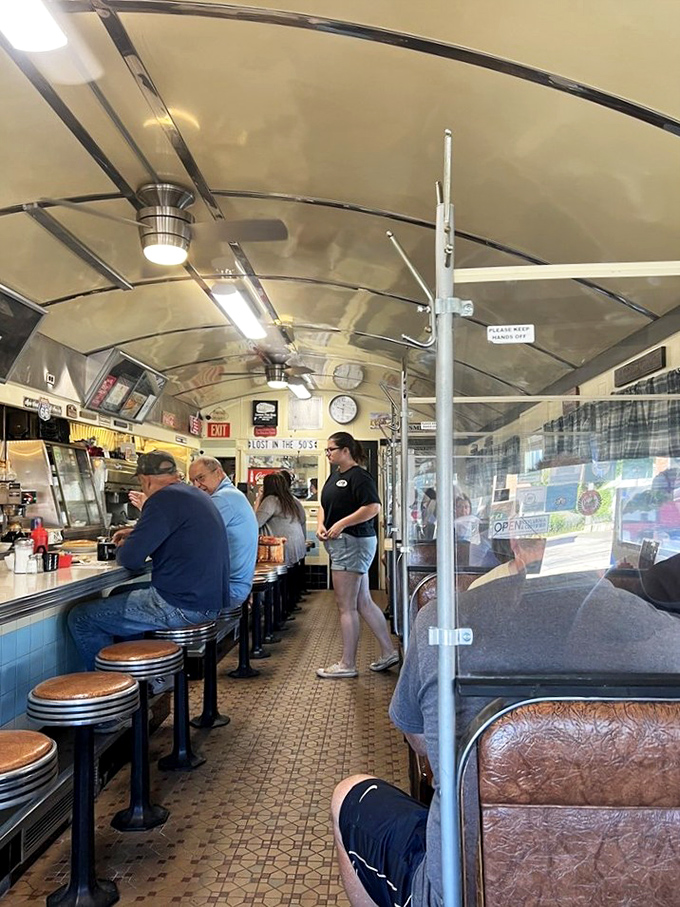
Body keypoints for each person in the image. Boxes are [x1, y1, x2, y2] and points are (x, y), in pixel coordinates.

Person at [331, 562, 680, 907]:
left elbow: (420, 742)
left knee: (347, 794)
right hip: (641, 884)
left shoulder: (442, 620)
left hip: (465, 890)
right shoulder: (668, 639)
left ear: (514, 540)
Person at [68, 451, 230, 670]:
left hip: (183, 604)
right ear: (175, 473)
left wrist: (131, 542)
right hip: (209, 599)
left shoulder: (161, 499)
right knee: (118, 595)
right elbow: (176, 535)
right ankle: (144, 676)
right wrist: (137, 533)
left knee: (81, 618)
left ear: (145, 479)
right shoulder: (192, 494)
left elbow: (131, 559)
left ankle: (115, 689)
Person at [316, 432, 397, 679]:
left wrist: (341, 524)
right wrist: (322, 524)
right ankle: (388, 652)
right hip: (341, 543)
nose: (328, 453)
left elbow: (373, 508)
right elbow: (323, 505)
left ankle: (347, 663)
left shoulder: (360, 476)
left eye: (331, 449)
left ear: (346, 450)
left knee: (346, 606)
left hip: (353, 543)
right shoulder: (334, 476)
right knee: (362, 602)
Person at [188, 455, 258, 609]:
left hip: (228, 590)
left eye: (201, 478)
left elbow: (190, 537)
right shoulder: (230, 495)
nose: (196, 485)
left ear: (218, 473)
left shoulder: (223, 498)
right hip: (234, 586)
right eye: (192, 481)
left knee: (126, 606)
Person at [254, 472, 307, 566]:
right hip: (298, 549)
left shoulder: (271, 500)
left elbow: (254, 523)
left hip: (281, 551)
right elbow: (303, 521)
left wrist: (258, 498)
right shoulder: (294, 500)